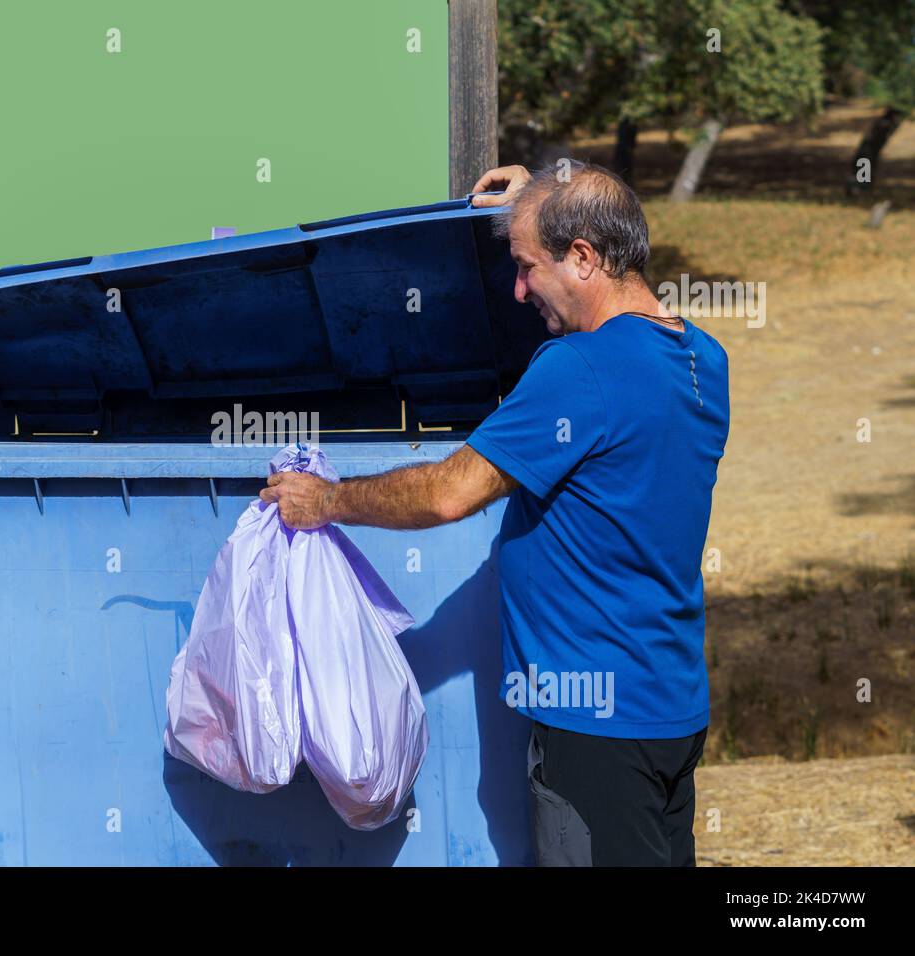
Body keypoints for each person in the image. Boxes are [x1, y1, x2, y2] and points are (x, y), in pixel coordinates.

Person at [259, 160, 730, 866]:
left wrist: (325, 501)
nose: (516, 289)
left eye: (526, 266)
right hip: (669, 705)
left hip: (593, 730)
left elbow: (448, 491)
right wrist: (545, 188)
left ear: (583, 257)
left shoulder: (580, 370)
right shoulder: (703, 359)